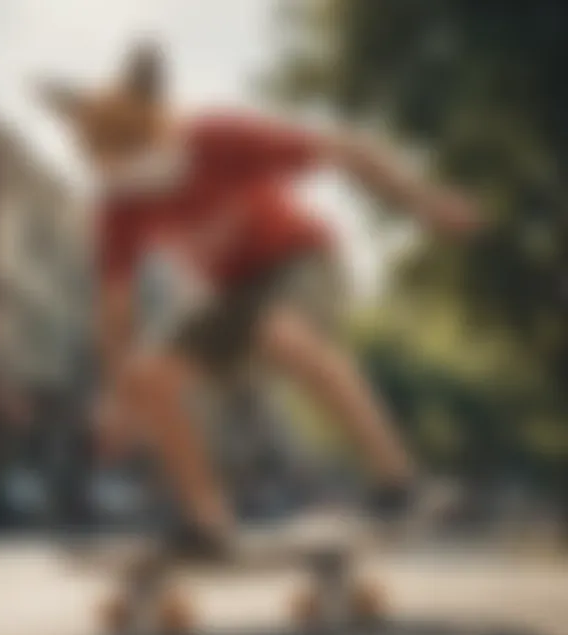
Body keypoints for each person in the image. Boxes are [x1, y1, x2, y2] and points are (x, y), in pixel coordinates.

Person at [37, 42, 483, 557]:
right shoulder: (120, 204)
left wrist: (422, 200)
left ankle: (399, 483)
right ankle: (207, 519)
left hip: (302, 260)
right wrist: (117, 398)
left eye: (137, 163)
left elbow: (347, 149)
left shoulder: (220, 137)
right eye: (113, 169)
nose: (138, 184)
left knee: (280, 330)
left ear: (161, 135)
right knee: (148, 377)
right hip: (230, 293)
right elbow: (114, 309)